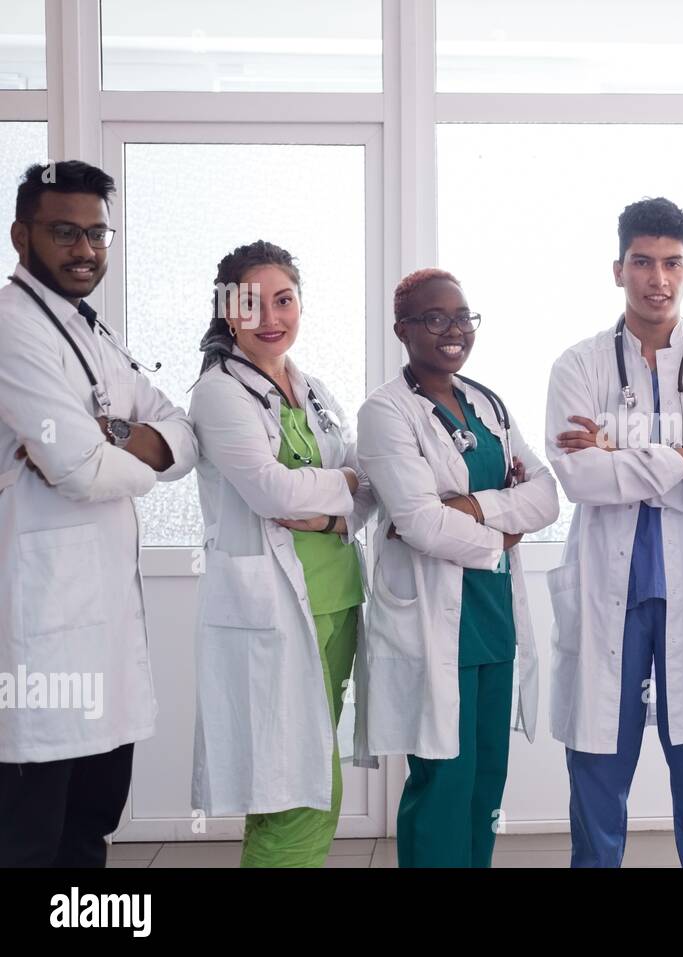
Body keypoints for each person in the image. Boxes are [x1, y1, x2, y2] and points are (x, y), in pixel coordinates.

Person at [545, 197, 683, 867]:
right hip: (613, 592)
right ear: (618, 269)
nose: (656, 278)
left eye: (671, 263)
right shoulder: (577, 366)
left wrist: (623, 452)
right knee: (598, 776)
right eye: (642, 262)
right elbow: (580, 480)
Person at [0, 160, 198, 867]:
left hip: (106, 641)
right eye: (64, 232)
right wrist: (113, 445)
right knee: (29, 841)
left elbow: (182, 429)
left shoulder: (93, 331)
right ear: (21, 235)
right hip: (38, 648)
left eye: (96, 233)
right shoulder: (13, 328)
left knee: (89, 833)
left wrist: (113, 442)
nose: (85, 250)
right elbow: (79, 469)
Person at [356, 268, 559, 867]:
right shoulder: (385, 412)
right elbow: (419, 524)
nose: (454, 330)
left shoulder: (487, 402)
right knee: (442, 781)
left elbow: (547, 495)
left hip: (494, 620)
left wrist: (473, 506)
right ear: (403, 329)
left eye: (463, 317)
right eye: (436, 318)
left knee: (485, 782)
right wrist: (502, 535)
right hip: (433, 622)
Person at [189, 240, 377, 867]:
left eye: (284, 299)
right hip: (273, 610)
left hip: (338, 599)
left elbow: (367, 482)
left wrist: (329, 504)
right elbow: (270, 490)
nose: (271, 316)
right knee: (295, 788)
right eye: (252, 302)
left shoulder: (313, 388)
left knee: (304, 781)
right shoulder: (219, 393)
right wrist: (343, 490)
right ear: (226, 310)